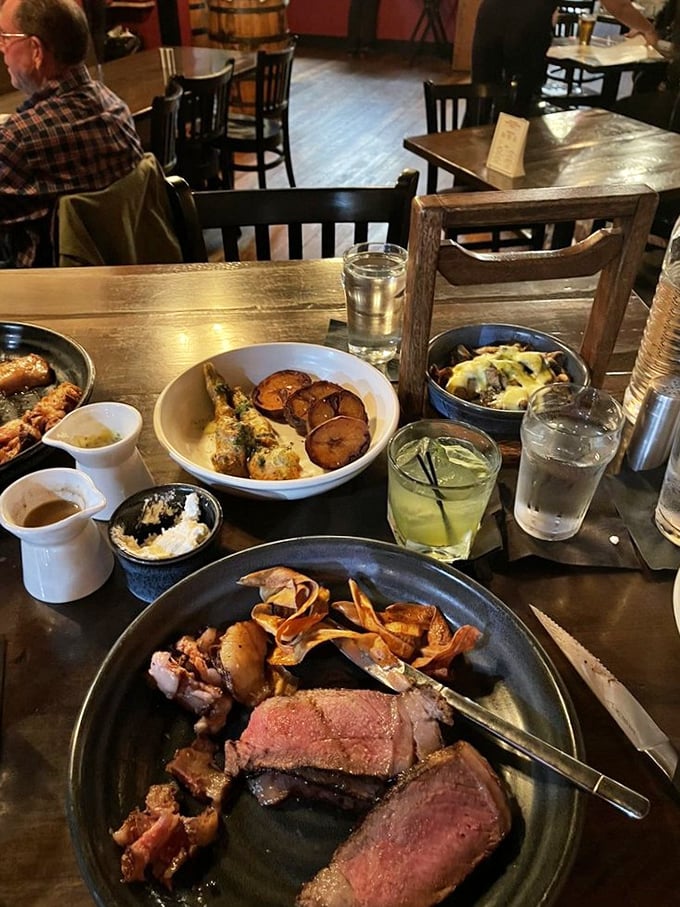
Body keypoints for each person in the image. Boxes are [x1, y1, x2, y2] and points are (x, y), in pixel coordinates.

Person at [0, 0, 144, 267]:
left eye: (5, 37)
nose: (1, 48)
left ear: (35, 50)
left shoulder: (19, 141)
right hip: (128, 277)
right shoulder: (115, 107)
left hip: (43, 293)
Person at [471, 0, 659, 118]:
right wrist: (648, 29)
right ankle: (510, 171)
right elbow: (619, 5)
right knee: (520, 103)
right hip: (528, 20)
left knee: (480, 97)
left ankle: (465, 174)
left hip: (490, 12)